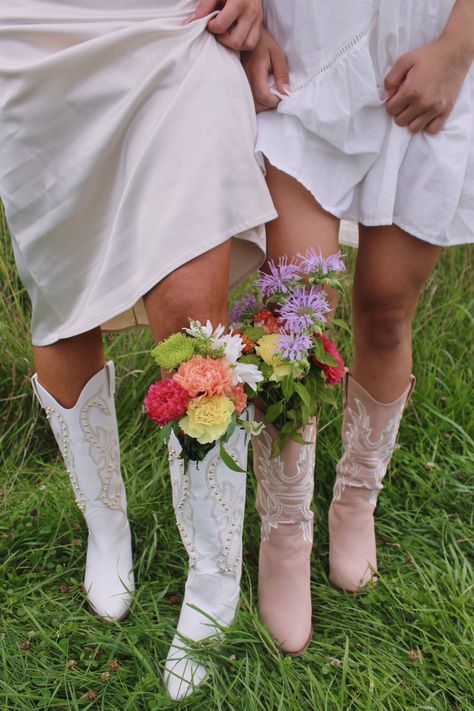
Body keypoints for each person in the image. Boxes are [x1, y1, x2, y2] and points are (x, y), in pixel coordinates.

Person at [0, 0, 275, 699]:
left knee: (192, 315)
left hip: (174, 26)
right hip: (34, 41)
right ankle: (106, 525)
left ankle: (215, 569)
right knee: (62, 306)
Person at [243, 0, 474, 654]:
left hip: (424, 57)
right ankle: (285, 531)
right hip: (310, 51)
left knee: (384, 309)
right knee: (295, 313)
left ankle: (355, 501)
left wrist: (460, 46)